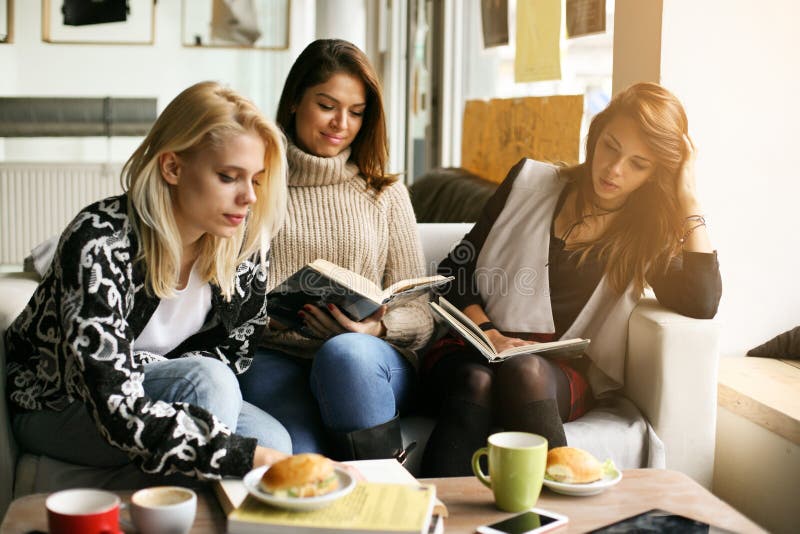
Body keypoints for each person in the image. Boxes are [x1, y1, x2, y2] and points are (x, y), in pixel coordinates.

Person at [419, 82, 722, 476]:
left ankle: (566, 513)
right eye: (611, 146)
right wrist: (490, 334)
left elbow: (702, 301)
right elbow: (455, 268)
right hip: (474, 346)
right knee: (476, 381)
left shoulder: (644, 234)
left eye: (638, 163)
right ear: (595, 137)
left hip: (551, 371)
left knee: (522, 372)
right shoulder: (529, 182)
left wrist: (690, 201)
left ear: (655, 174)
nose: (615, 169)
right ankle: (434, 517)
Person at [5, 81, 292, 482]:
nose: (249, 198)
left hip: (164, 388)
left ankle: (154, 497)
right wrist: (237, 453)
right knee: (210, 387)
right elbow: (112, 403)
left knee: (272, 439)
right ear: (172, 167)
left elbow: (237, 349)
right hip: (61, 403)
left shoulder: (238, 249)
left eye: (256, 180)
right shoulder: (99, 240)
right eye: (229, 177)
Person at [238, 39, 434, 460]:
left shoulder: (384, 192)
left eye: (357, 112)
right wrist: (261, 314)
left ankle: (384, 500)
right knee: (301, 463)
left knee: (343, 352)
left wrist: (376, 329)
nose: (340, 123)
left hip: (366, 357)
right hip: (277, 355)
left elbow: (420, 311)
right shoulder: (253, 185)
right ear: (294, 101)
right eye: (327, 105)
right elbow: (219, 290)